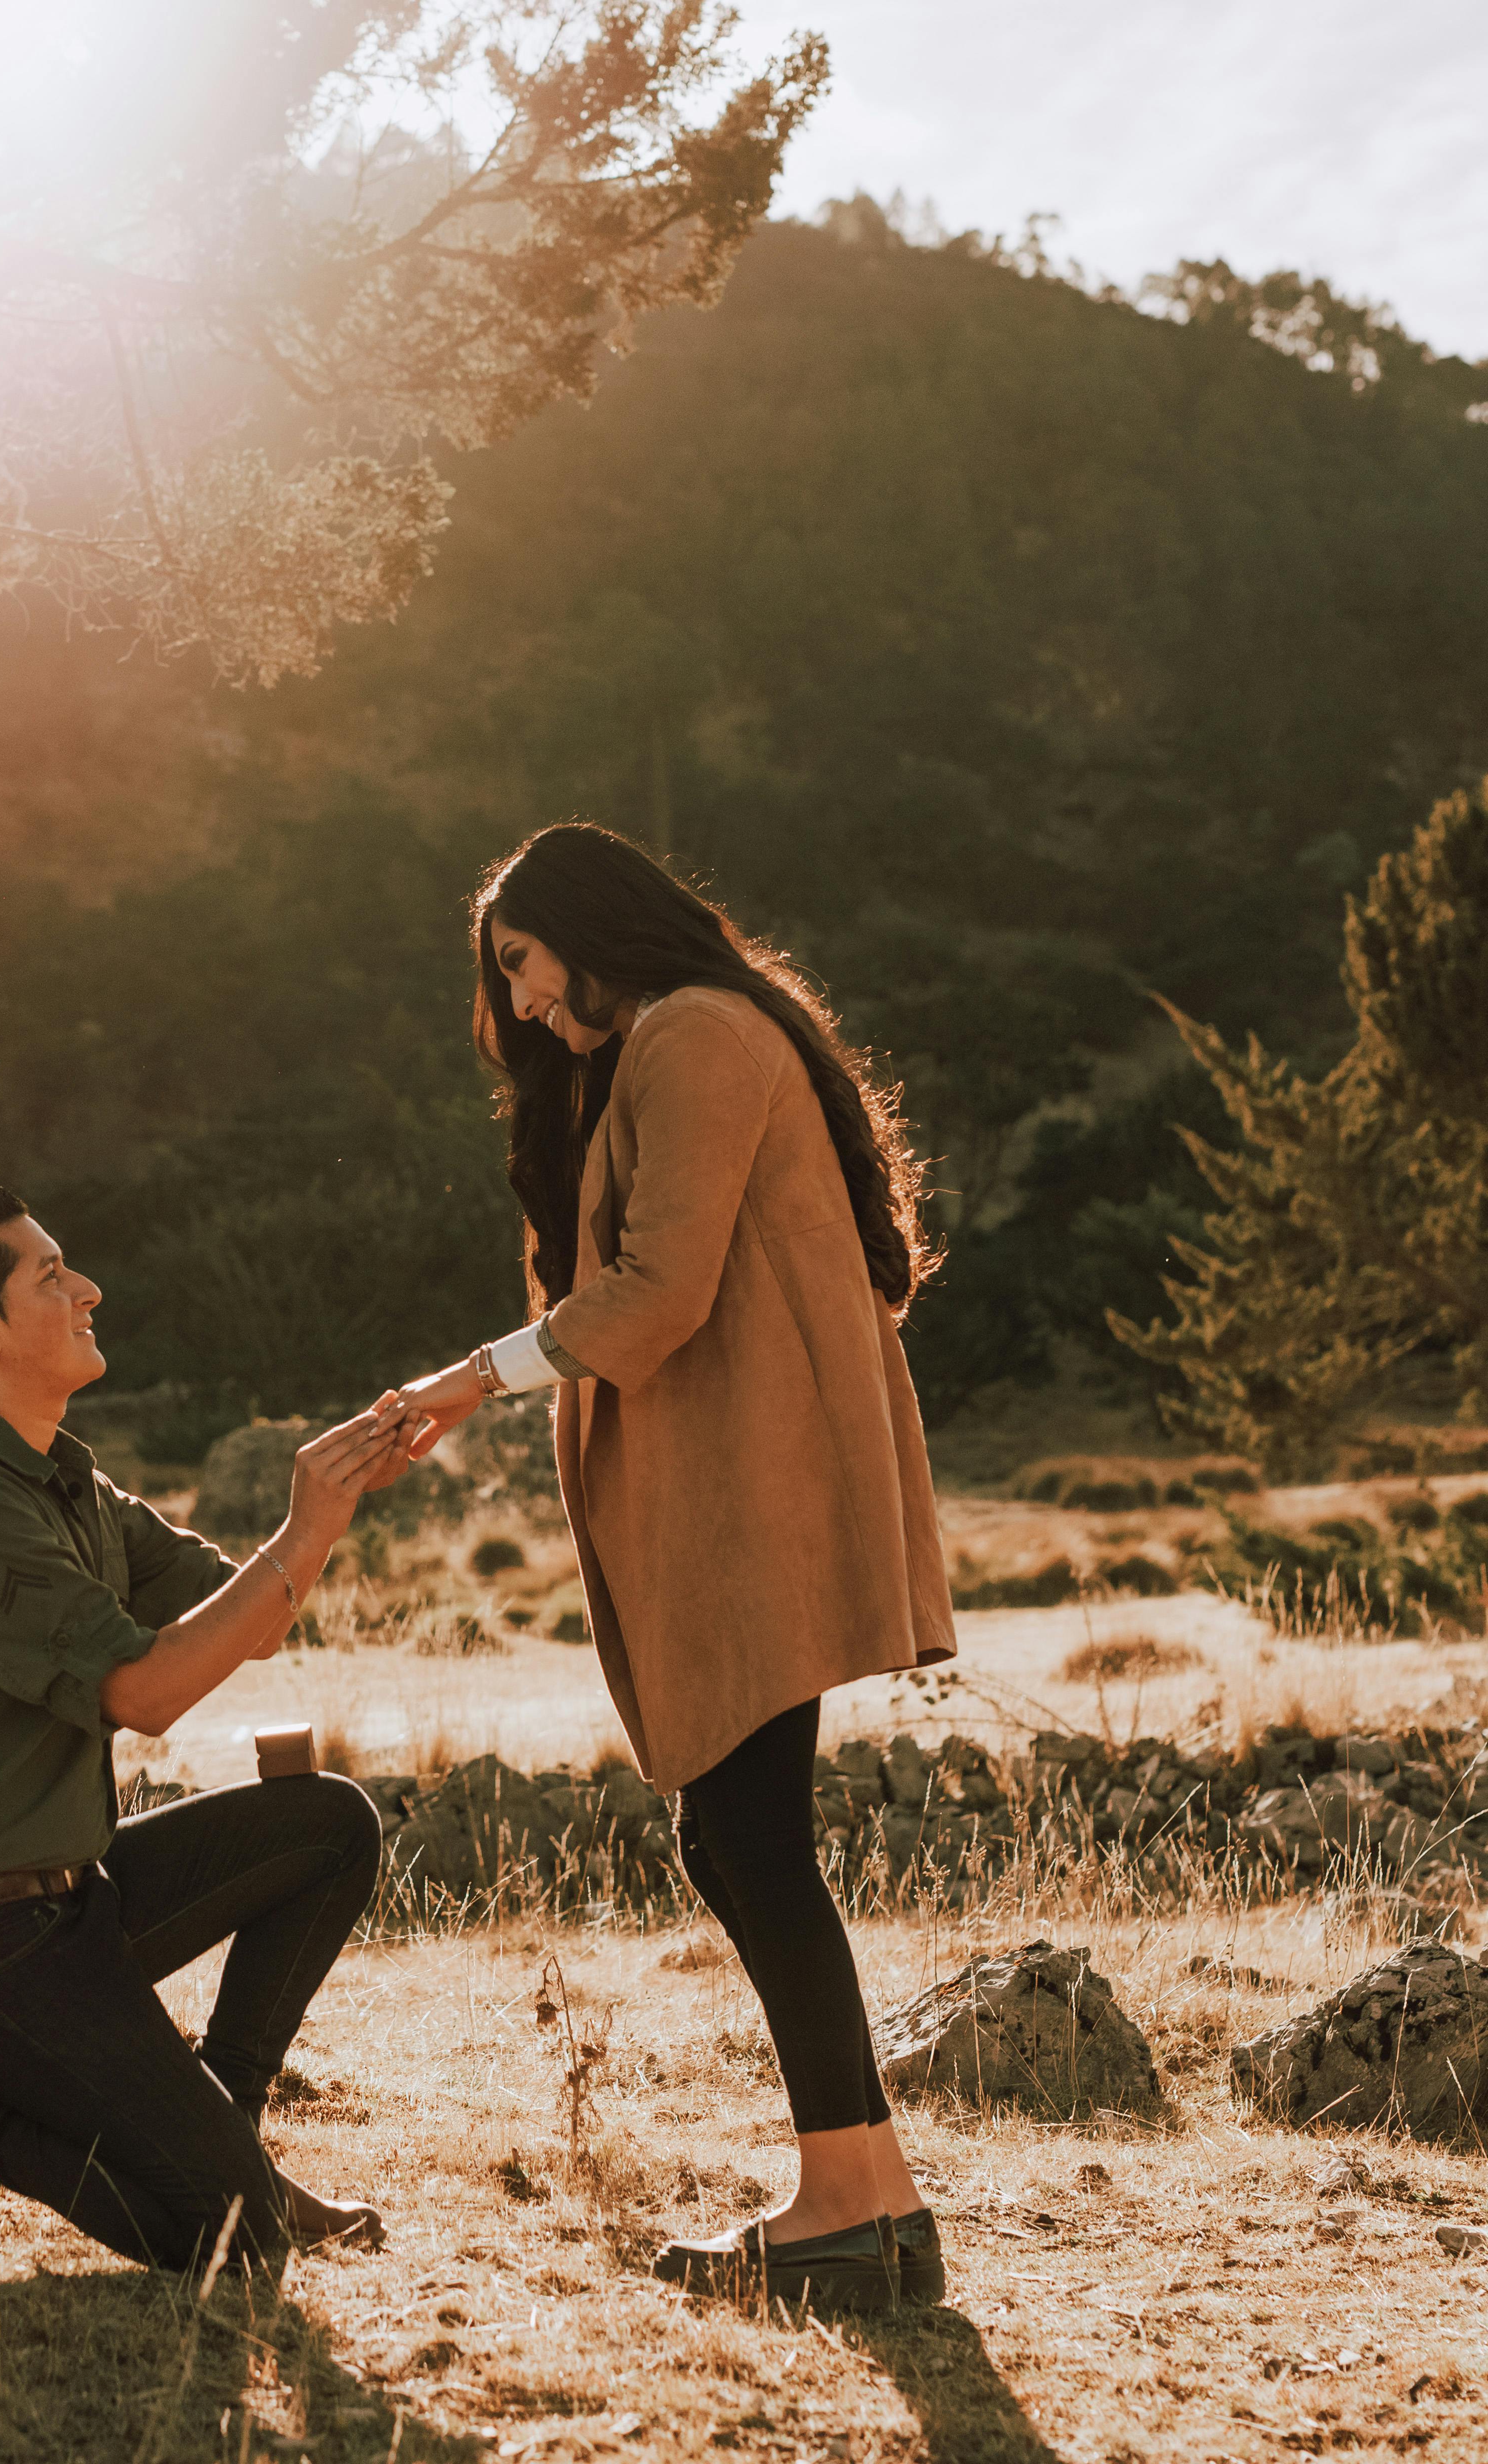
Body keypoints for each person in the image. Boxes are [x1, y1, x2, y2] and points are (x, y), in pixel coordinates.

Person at [379, 823, 959, 2319]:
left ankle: (852, 2204)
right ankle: (875, 2209)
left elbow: (663, 1288)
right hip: (737, 1475)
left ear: (589, 926)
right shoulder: (672, 1040)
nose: (515, 1006)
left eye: (522, 963)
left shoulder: (696, 1034)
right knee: (746, 1837)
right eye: (498, 981)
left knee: (748, 1841)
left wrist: (469, 1381)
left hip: (755, 1481)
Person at [0, 1185, 409, 2274]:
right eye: (50, 1274)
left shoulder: (64, 1476)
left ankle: (229, 2135)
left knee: (327, 1827)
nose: (86, 1288)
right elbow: (145, 1691)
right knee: (233, 2241)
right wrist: (304, 1527)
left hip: (70, 1907)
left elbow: (244, 1620)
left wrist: (333, 1497)